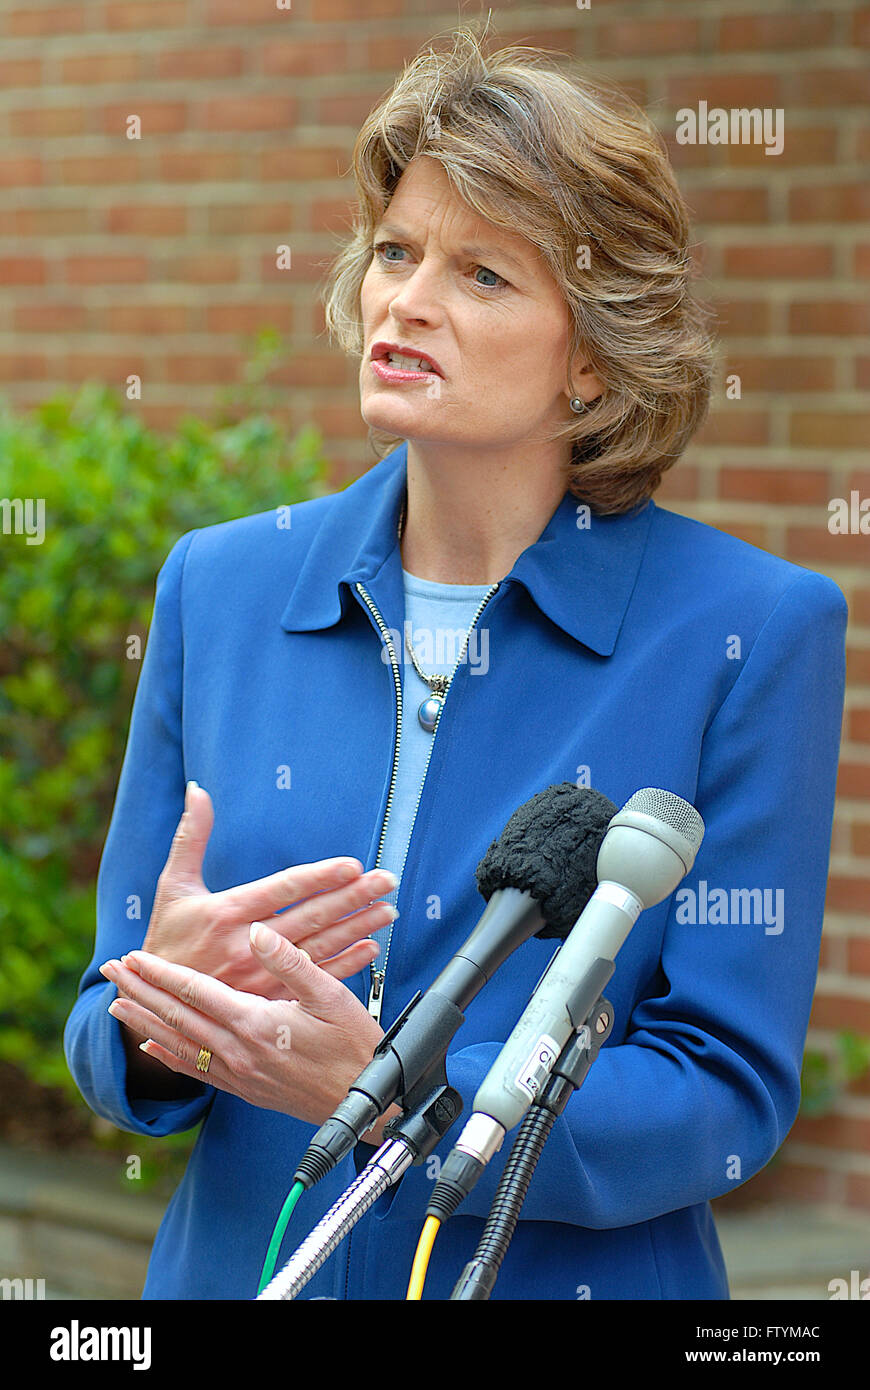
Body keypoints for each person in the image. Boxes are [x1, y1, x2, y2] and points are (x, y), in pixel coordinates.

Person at [64, 26, 847, 1300]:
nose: (407, 301)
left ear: (595, 356)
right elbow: (106, 1028)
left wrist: (398, 1096)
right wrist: (165, 1016)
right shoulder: (220, 586)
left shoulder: (754, 629)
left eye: (483, 275)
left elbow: (722, 1091)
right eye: (395, 253)